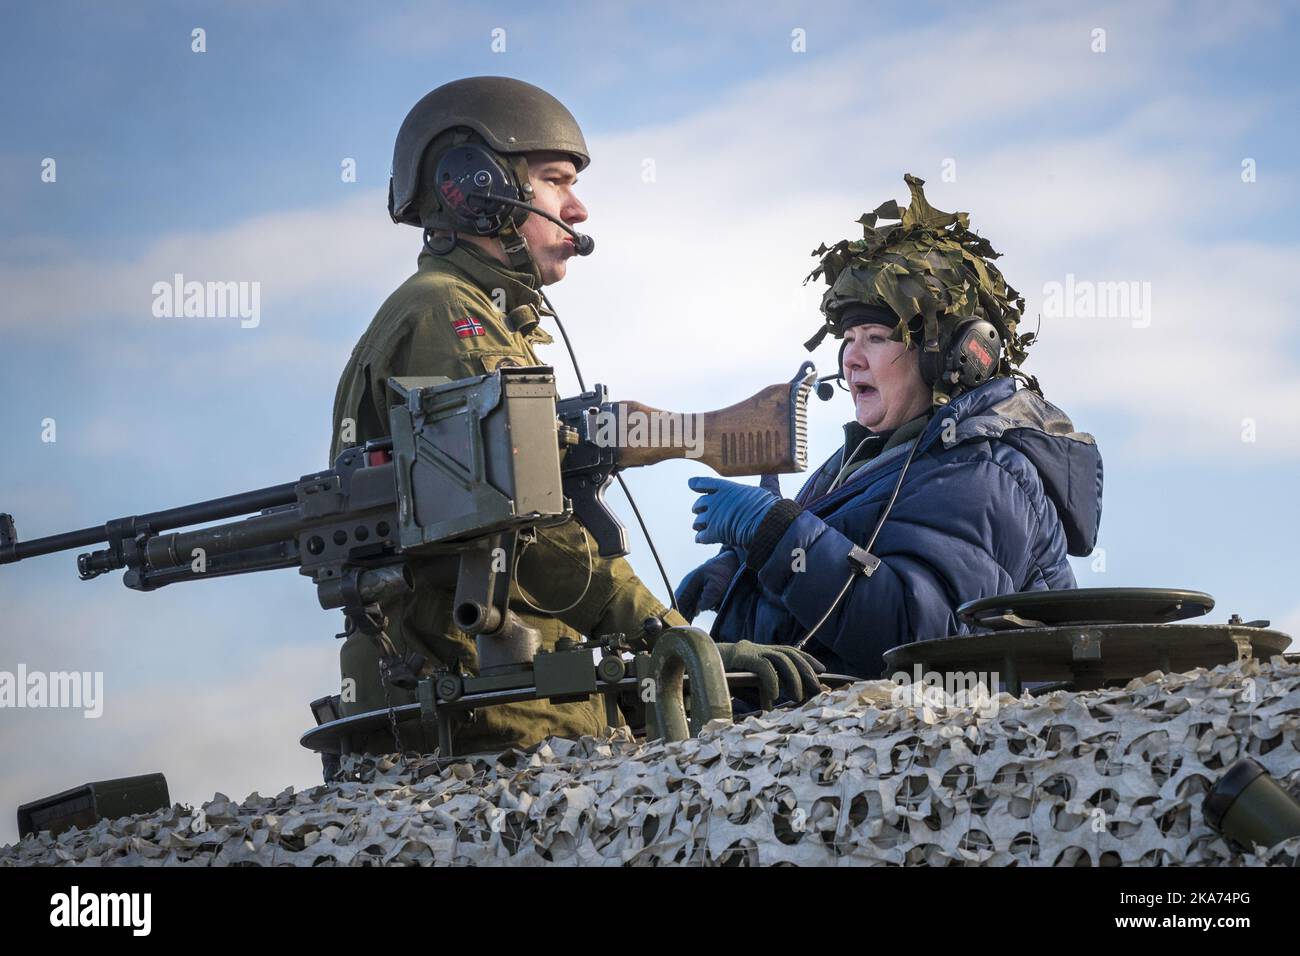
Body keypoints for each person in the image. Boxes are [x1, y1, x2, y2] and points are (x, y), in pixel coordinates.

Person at [329, 76, 687, 756]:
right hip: (492, 727)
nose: (578, 209)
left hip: (514, 710)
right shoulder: (447, 317)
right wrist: (664, 632)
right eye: (556, 181)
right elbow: (528, 530)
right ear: (477, 189)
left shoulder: (481, 315)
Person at [677, 174, 1104, 678]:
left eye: (876, 337)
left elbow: (919, 638)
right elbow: (834, 603)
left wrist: (778, 535)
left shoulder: (986, 473)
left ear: (950, 357)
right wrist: (748, 579)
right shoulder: (867, 463)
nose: (852, 359)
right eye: (849, 337)